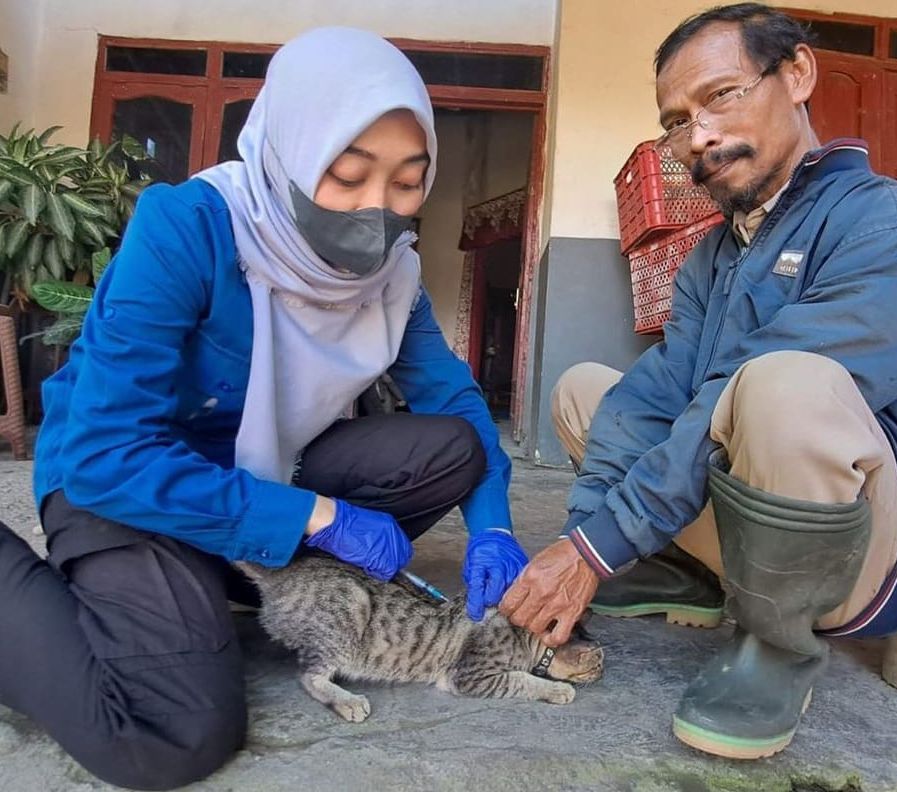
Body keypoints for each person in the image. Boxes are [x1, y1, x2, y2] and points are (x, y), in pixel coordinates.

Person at [0, 28, 527, 789]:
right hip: (127, 485)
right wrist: (315, 519)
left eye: (409, 182)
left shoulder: (391, 276)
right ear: (288, 152)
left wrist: (495, 528)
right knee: (169, 732)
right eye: (346, 175)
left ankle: (235, 576)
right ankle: (207, 570)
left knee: (450, 447)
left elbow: (454, 402)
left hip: (267, 469)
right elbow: (103, 453)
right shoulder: (190, 228)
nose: (377, 210)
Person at [500, 2, 897, 761]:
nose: (699, 138)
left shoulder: (876, 222)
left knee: (782, 384)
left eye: (719, 95)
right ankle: (682, 572)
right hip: (760, 519)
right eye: (677, 121)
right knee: (589, 388)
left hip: (865, 555)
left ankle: (776, 645)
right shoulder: (711, 256)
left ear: (797, 74)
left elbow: (727, 398)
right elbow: (655, 401)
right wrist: (581, 541)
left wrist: (590, 554)